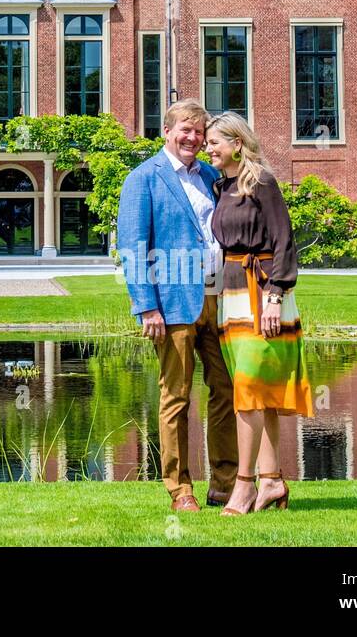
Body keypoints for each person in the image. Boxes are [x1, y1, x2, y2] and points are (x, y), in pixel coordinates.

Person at [117, 99, 236, 511]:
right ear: (166, 132)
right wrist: (147, 307)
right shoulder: (142, 179)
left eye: (199, 131)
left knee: (227, 390)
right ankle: (179, 489)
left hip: (217, 298)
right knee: (176, 397)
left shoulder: (210, 175)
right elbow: (132, 248)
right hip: (171, 304)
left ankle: (224, 483)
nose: (193, 138)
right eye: (185, 130)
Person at [204, 111, 314, 515]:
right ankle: (272, 482)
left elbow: (285, 241)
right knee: (258, 394)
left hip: (263, 292)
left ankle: (245, 485)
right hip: (232, 293)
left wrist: (274, 296)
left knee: (249, 393)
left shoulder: (261, 181)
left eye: (215, 141)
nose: (207, 148)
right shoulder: (224, 186)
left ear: (237, 143)